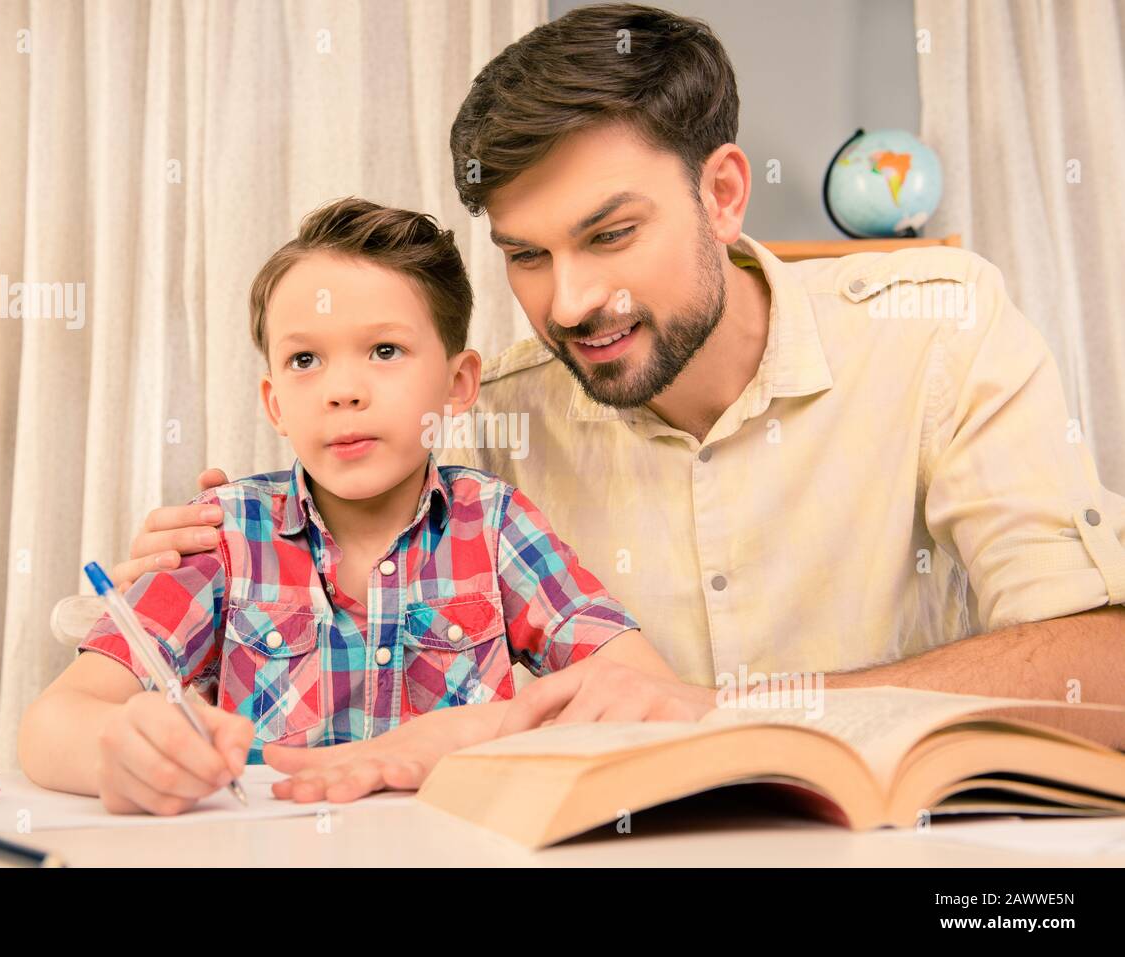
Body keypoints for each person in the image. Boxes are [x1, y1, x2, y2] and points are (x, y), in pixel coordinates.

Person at [114, 5, 1125, 790]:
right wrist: (215, 546)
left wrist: (720, 713)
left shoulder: (937, 331)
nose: (572, 301)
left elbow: (1102, 670)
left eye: (609, 235)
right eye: (527, 256)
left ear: (722, 195)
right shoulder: (488, 417)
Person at [18, 197, 677, 815]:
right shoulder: (224, 533)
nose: (342, 390)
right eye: (306, 358)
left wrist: (482, 728)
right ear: (275, 402)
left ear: (457, 383)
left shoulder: (495, 522)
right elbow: (52, 723)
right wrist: (122, 746)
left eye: (384, 350)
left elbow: (647, 695)